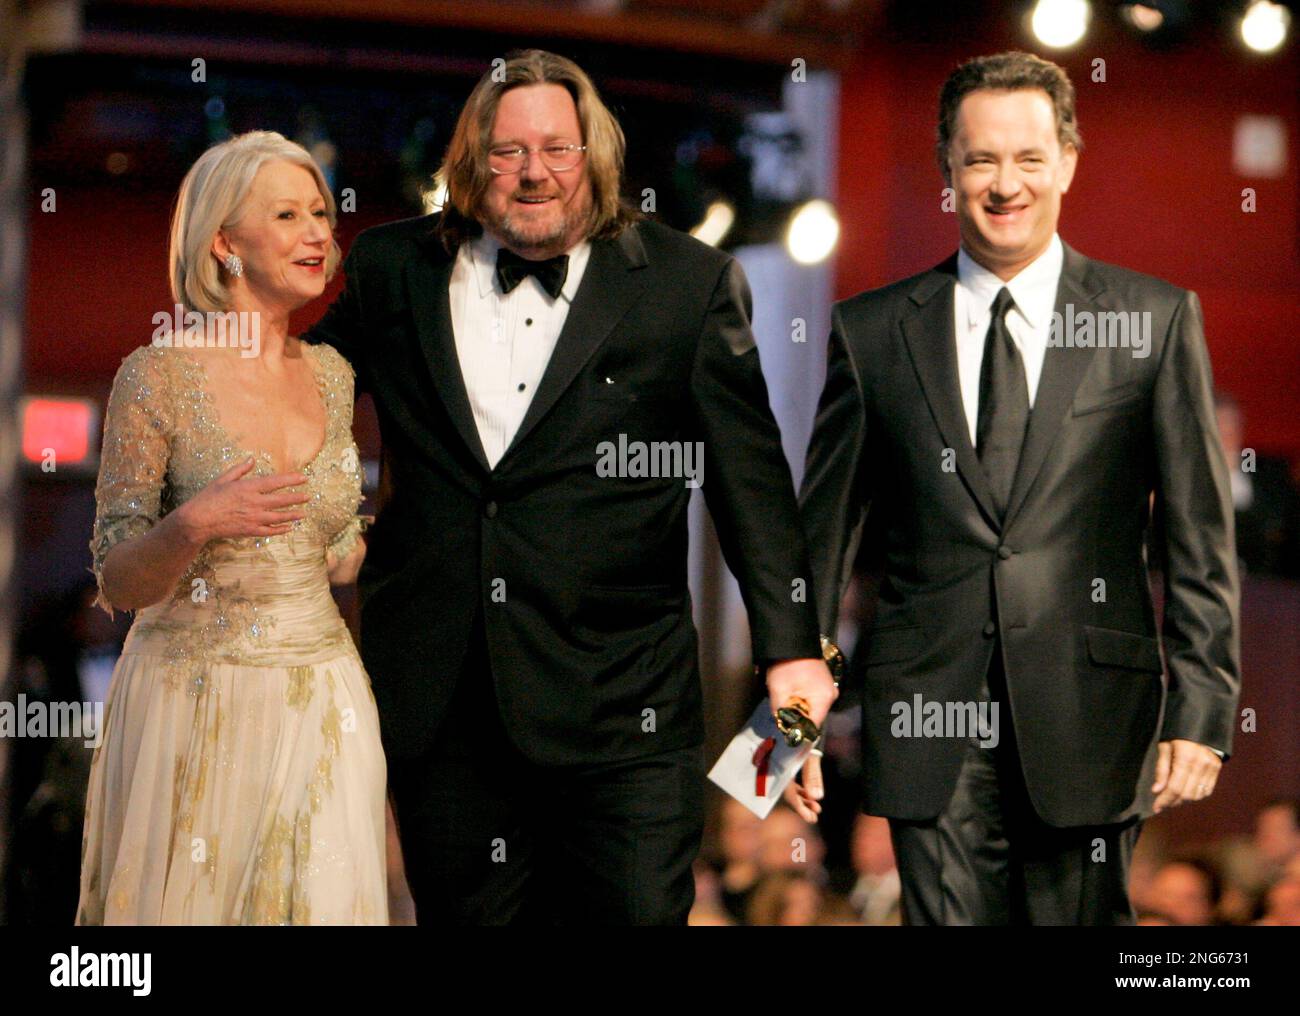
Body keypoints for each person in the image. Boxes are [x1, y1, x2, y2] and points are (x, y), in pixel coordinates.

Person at [305, 48, 836, 925]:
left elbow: (753, 485)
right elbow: (303, 389)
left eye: (557, 148)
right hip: (443, 698)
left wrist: (790, 649)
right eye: (508, 151)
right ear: (473, 163)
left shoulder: (685, 284)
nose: (534, 172)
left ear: (595, 156)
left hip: (623, 706)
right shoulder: (391, 269)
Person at [795, 51, 1239, 924]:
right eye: (981, 159)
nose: (1006, 184)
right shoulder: (874, 333)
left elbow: (1200, 536)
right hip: (927, 712)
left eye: (1030, 158)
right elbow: (819, 543)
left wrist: (1205, 706)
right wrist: (794, 714)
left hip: (1094, 715)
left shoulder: (1152, 321)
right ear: (947, 171)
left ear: (1068, 161)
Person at [77, 131, 387, 924]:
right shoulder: (158, 376)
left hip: (323, 697)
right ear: (224, 243)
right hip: (192, 701)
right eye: (287, 214)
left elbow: (336, 551)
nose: (318, 232)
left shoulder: (331, 371)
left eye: (321, 211)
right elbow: (117, 576)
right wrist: (191, 525)